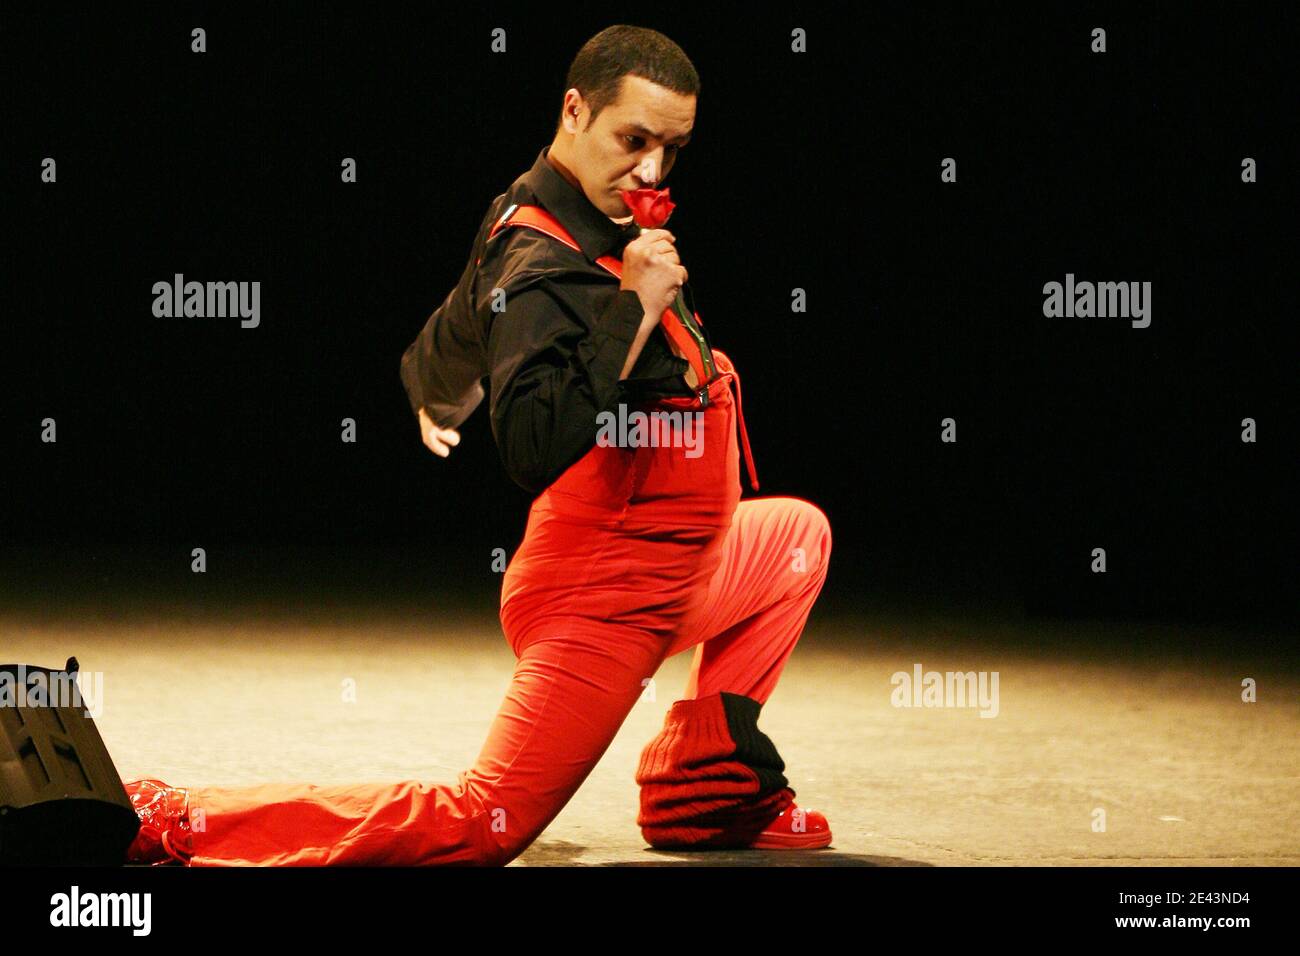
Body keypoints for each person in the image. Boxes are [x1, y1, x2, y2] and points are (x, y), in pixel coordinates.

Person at [122, 24, 833, 867]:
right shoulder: (540, 260)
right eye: (632, 140)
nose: (651, 170)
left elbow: (465, 311)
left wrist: (437, 388)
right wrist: (634, 308)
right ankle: (168, 818)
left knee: (796, 537)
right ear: (575, 110)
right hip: (602, 600)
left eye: (671, 149)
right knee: (476, 821)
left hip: (687, 566)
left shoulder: (547, 213)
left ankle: (702, 793)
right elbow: (532, 444)